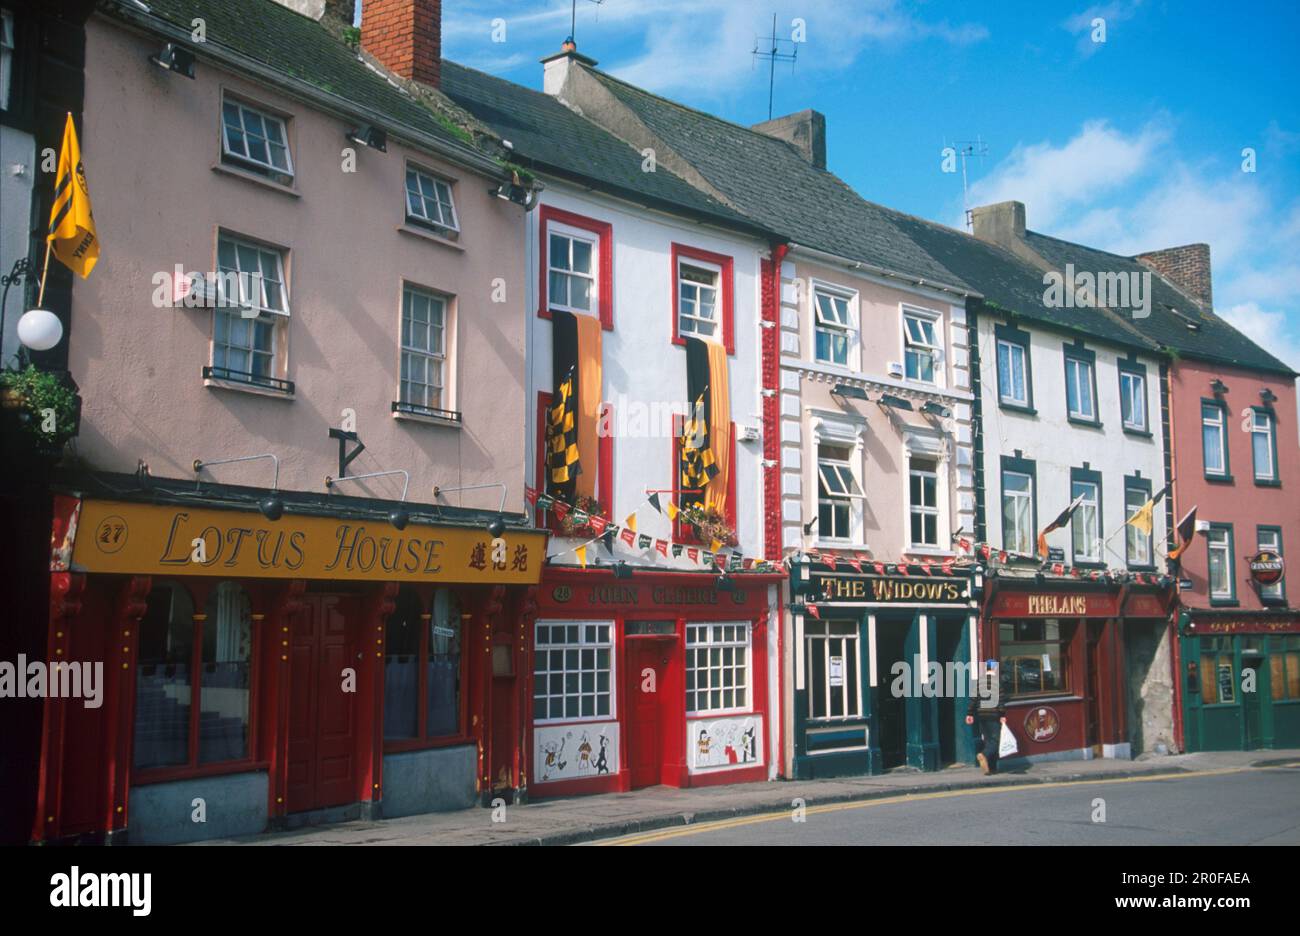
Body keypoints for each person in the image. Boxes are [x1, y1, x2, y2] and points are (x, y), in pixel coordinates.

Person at [965, 660, 1008, 775]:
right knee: (996, 741)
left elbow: (973, 699)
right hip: (993, 715)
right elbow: (1001, 701)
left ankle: (991, 768)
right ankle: (983, 755)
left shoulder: (980, 682)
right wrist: (1002, 715)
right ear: (994, 669)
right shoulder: (997, 682)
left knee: (988, 741)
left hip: (981, 715)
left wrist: (969, 714)